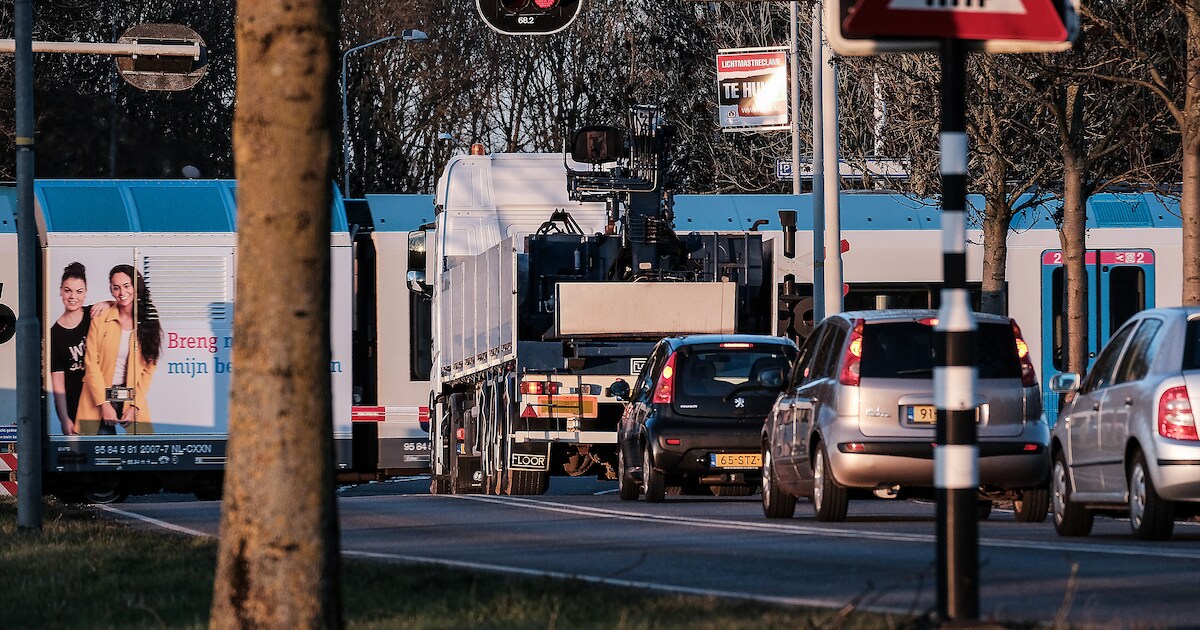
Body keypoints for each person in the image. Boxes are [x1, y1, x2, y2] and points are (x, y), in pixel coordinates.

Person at [75, 265, 162, 435]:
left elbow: (149, 369)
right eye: (116, 287)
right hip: (97, 397)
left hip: (132, 398)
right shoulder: (101, 318)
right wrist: (104, 404)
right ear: (111, 290)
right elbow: (91, 363)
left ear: (136, 287)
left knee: (142, 456)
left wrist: (135, 406)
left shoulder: (149, 320)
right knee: (98, 455)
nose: (122, 292)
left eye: (127, 286)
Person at [49, 262, 111, 435]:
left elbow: (127, 306)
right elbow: (58, 383)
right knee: (78, 459)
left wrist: (108, 302)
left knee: (106, 457)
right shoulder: (54, 334)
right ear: (61, 290)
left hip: (99, 403)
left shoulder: (94, 315)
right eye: (68, 290)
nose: (72, 296)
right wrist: (64, 419)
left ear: (85, 293)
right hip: (75, 409)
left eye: (79, 291)